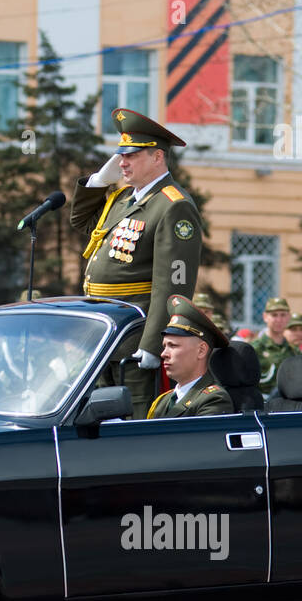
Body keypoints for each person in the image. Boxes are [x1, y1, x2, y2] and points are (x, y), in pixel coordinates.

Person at [70, 107, 202, 418]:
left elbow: (175, 282)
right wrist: (99, 182)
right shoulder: (122, 200)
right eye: (120, 156)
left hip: (135, 337)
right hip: (104, 335)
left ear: (157, 157)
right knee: (102, 420)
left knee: (136, 418)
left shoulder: (173, 206)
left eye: (131, 156)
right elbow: (82, 222)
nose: (121, 163)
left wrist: (156, 341)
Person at [147, 295, 234, 418]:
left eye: (173, 346)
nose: (163, 354)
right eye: (165, 346)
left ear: (201, 351)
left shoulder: (213, 399)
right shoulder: (162, 402)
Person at [251, 297, 296, 394]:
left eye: (283, 315)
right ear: (265, 317)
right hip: (262, 404)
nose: (279, 320)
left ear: (289, 317)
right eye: (274, 315)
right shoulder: (254, 349)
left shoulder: (293, 351)